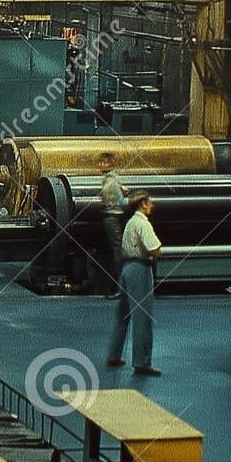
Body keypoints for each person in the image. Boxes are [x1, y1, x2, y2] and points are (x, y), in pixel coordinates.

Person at [106, 191, 162, 377]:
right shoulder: (143, 224)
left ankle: (114, 355)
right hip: (140, 269)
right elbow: (154, 249)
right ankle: (142, 363)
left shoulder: (130, 222)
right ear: (143, 204)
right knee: (142, 317)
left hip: (126, 269)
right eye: (150, 202)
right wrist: (158, 252)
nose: (152, 205)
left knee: (122, 315)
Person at [96, 152, 127, 298]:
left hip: (112, 217)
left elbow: (120, 202)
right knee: (113, 252)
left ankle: (121, 288)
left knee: (117, 252)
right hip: (109, 216)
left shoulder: (112, 181)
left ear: (110, 164)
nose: (100, 165)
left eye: (103, 162)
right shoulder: (109, 179)